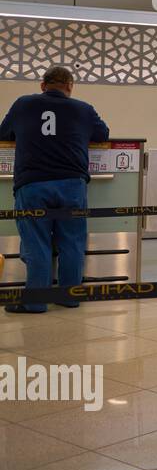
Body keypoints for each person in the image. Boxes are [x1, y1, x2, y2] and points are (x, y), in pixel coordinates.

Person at [0, 65, 110, 313]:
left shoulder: (22, 104)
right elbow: (103, 134)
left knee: (36, 242)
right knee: (72, 241)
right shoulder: (83, 108)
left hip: (33, 184)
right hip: (72, 185)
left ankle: (35, 302)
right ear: (70, 86)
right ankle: (69, 296)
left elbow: (3, 133)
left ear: (42, 85)